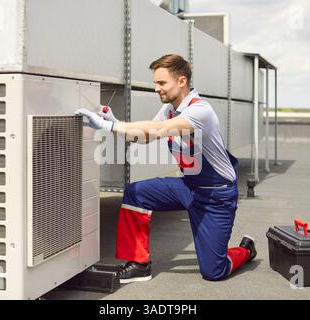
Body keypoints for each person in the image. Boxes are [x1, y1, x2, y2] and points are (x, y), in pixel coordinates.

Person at [76, 54, 256, 284]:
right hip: (188, 187)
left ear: (181, 81)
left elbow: (159, 130)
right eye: (155, 83)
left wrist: (108, 125)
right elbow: (143, 137)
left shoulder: (200, 111)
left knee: (214, 271)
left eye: (162, 83)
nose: (156, 89)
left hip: (216, 195)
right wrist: (113, 121)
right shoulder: (170, 109)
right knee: (136, 193)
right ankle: (139, 264)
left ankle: (247, 250)